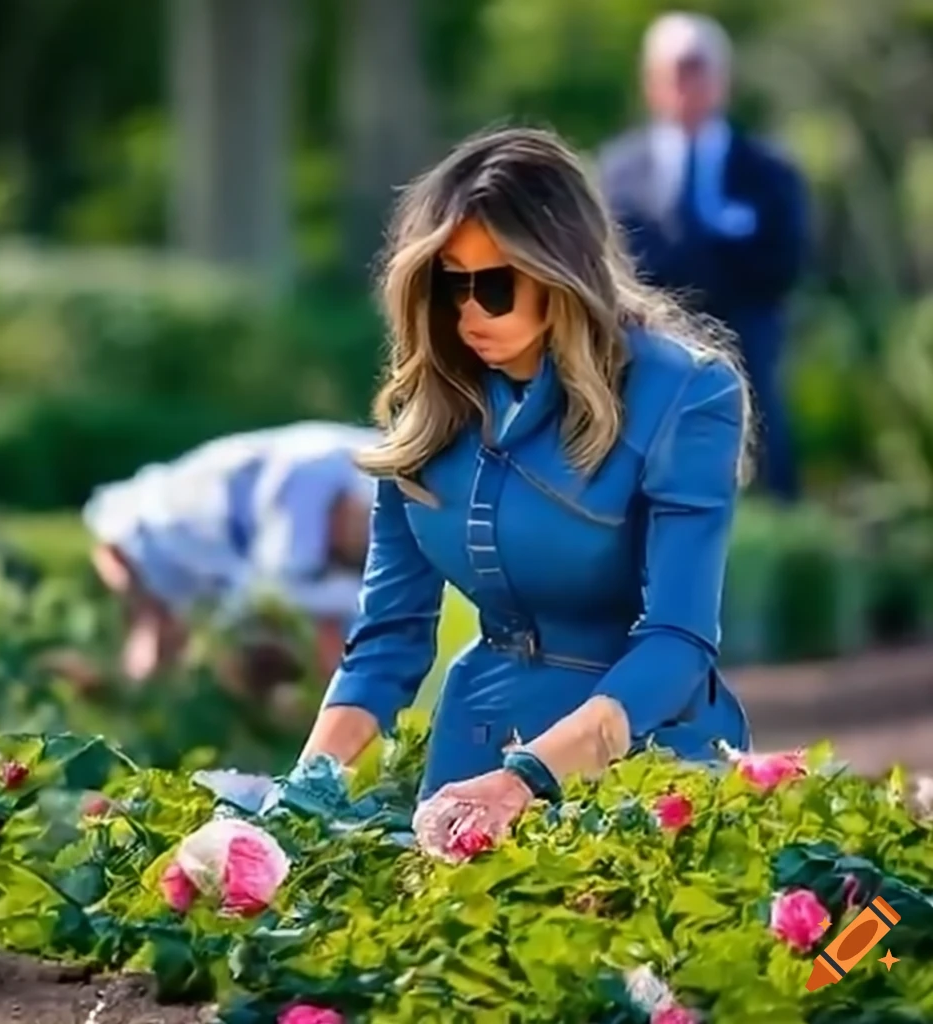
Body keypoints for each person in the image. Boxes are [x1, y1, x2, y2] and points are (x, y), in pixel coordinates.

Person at [296, 124, 754, 840]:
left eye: (496, 285)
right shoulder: (427, 412)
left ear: (560, 274)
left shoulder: (687, 393)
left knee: (852, 939)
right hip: (469, 763)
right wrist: (300, 797)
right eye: (449, 284)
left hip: (646, 764)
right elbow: (387, 641)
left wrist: (528, 779)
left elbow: (679, 641)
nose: (468, 311)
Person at [596, 12, 808, 502]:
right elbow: (615, 266)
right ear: (651, 83)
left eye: (699, 70)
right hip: (648, 358)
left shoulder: (768, 173)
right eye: (676, 72)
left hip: (748, 361)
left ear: (723, 81)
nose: (687, 87)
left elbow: (784, 263)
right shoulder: (618, 173)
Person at [81, 421, 378, 689]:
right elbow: (276, 590)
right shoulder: (313, 482)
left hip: (170, 542)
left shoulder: (350, 473)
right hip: (150, 535)